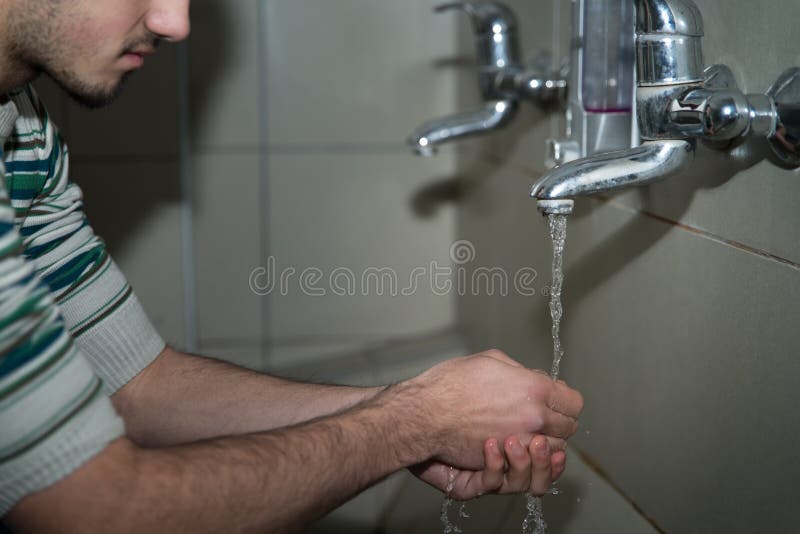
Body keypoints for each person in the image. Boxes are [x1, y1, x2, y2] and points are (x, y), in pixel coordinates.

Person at [0, 0, 584, 531]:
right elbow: (95, 512)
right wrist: (411, 423)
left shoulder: (24, 128)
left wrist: (416, 412)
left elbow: (137, 384)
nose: (174, 23)